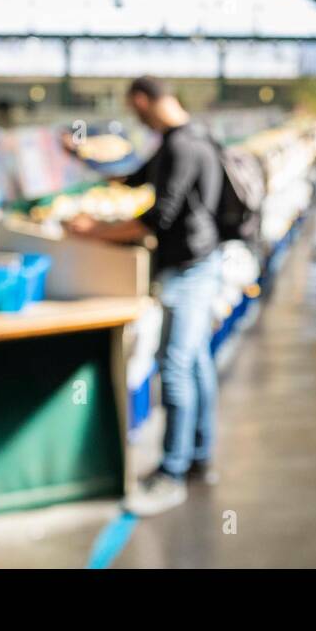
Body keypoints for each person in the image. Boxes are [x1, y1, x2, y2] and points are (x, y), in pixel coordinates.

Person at [65, 76, 225, 516]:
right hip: (204, 263)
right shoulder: (190, 137)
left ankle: (171, 473)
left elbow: (158, 217)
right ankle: (199, 455)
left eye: (132, 107)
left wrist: (95, 231)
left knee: (173, 367)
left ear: (142, 101)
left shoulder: (179, 145)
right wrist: (81, 156)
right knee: (195, 364)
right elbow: (136, 176)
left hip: (189, 270)